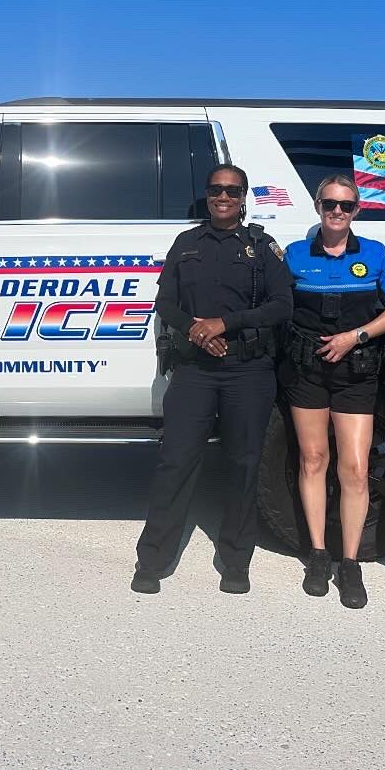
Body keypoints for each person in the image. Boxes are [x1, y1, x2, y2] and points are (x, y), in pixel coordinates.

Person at [133, 163, 292, 595]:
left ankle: (236, 561)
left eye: (232, 191)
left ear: (243, 197)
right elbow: (166, 303)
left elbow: (282, 305)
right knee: (175, 462)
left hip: (248, 371)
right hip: (195, 370)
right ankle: (153, 559)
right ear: (207, 194)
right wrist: (196, 331)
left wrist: (224, 323)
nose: (223, 197)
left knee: (243, 465)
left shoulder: (261, 246)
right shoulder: (186, 243)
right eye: (216, 189)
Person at [280, 174, 385, 608]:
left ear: (357, 210)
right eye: (330, 204)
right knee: (313, 460)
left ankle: (349, 563)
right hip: (307, 372)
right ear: (318, 206)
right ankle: (318, 554)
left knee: (354, 469)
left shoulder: (374, 253)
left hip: (356, 372)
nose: (337, 211)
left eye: (346, 205)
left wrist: (356, 337)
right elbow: (278, 308)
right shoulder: (295, 255)